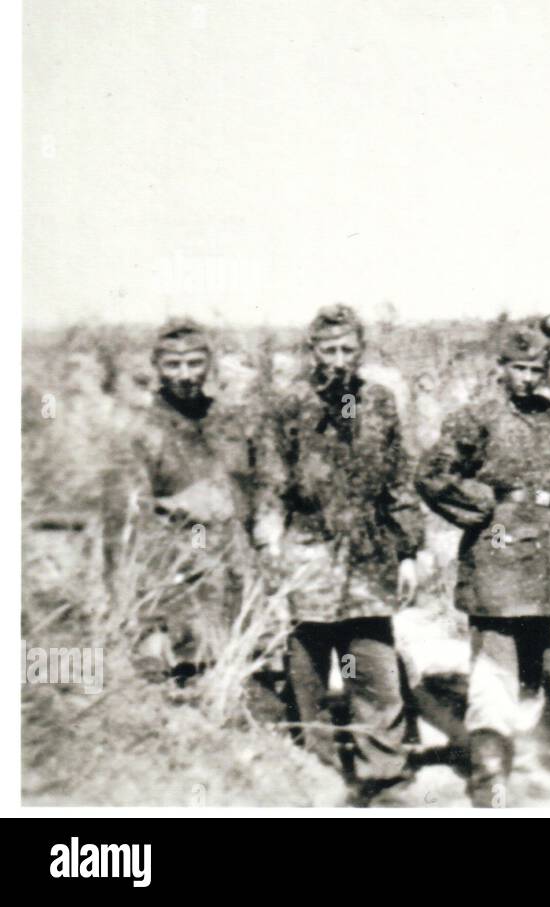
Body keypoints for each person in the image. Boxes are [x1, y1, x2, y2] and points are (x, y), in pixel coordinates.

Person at [415, 325, 550, 807]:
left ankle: (536, 761)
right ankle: (489, 776)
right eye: (519, 368)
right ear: (501, 367)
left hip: (545, 554)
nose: (527, 379)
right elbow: (432, 474)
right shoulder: (476, 416)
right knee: (495, 660)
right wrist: (483, 507)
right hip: (495, 549)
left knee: (538, 663)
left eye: (536, 370)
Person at [253, 303, 423, 804]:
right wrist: (271, 553)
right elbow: (270, 485)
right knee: (309, 672)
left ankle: (384, 776)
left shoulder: (380, 402)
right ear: (312, 352)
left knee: (373, 667)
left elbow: (398, 481)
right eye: (329, 350)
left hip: (369, 555)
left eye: (348, 350)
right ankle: (318, 775)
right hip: (307, 551)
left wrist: (410, 550)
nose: (339, 360)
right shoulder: (287, 405)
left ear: (361, 351)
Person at [102, 318, 256, 677]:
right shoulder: (139, 431)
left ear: (210, 365)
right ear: (156, 366)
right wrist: (148, 620)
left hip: (238, 588)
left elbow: (254, 499)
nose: (185, 375)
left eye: (194, 363)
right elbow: (125, 530)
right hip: (178, 591)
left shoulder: (231, 424)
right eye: (173, 364)